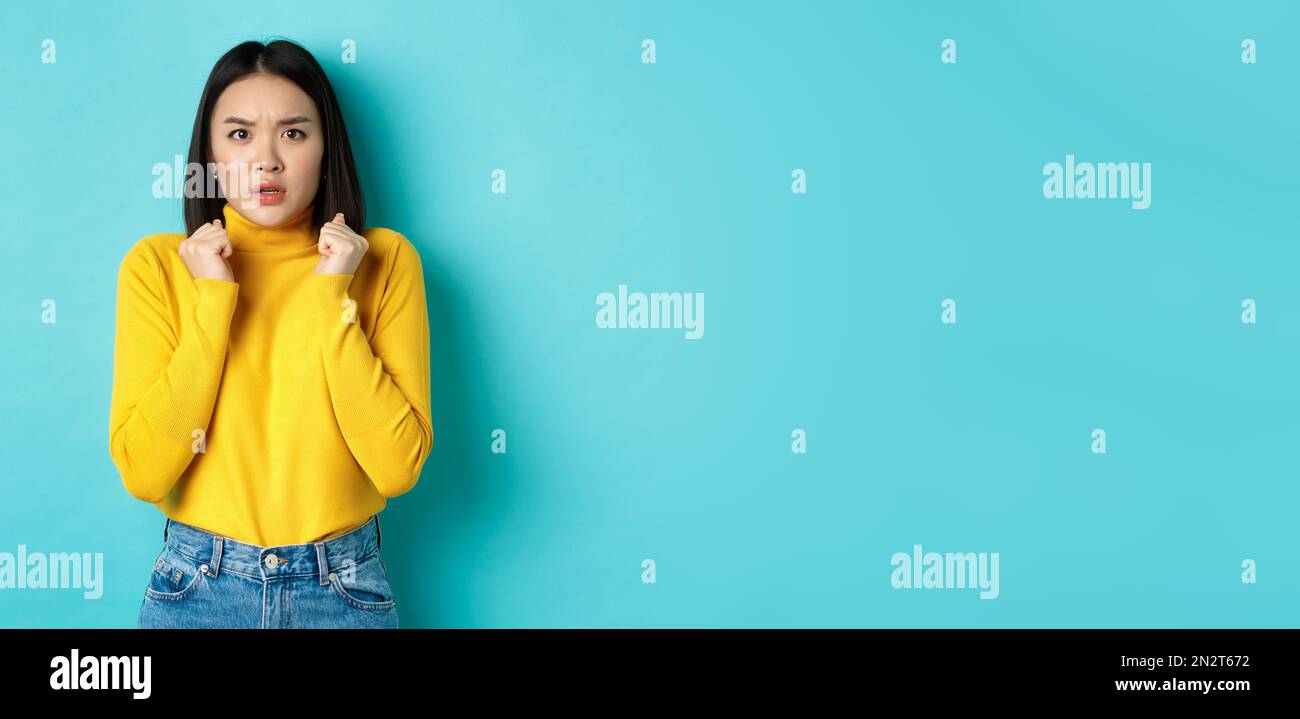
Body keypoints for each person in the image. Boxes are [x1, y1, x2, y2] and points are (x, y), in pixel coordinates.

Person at [108, 38, 433, 628]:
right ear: (206, 153)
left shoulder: (385, 261)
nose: (267, 161)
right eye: (239, 135)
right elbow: (144, 470)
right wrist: (212, 299)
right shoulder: (157, 266)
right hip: (198, 586)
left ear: (326, 148)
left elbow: (396, 468)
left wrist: (332, 293)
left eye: (293, 132)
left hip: (342, 589)